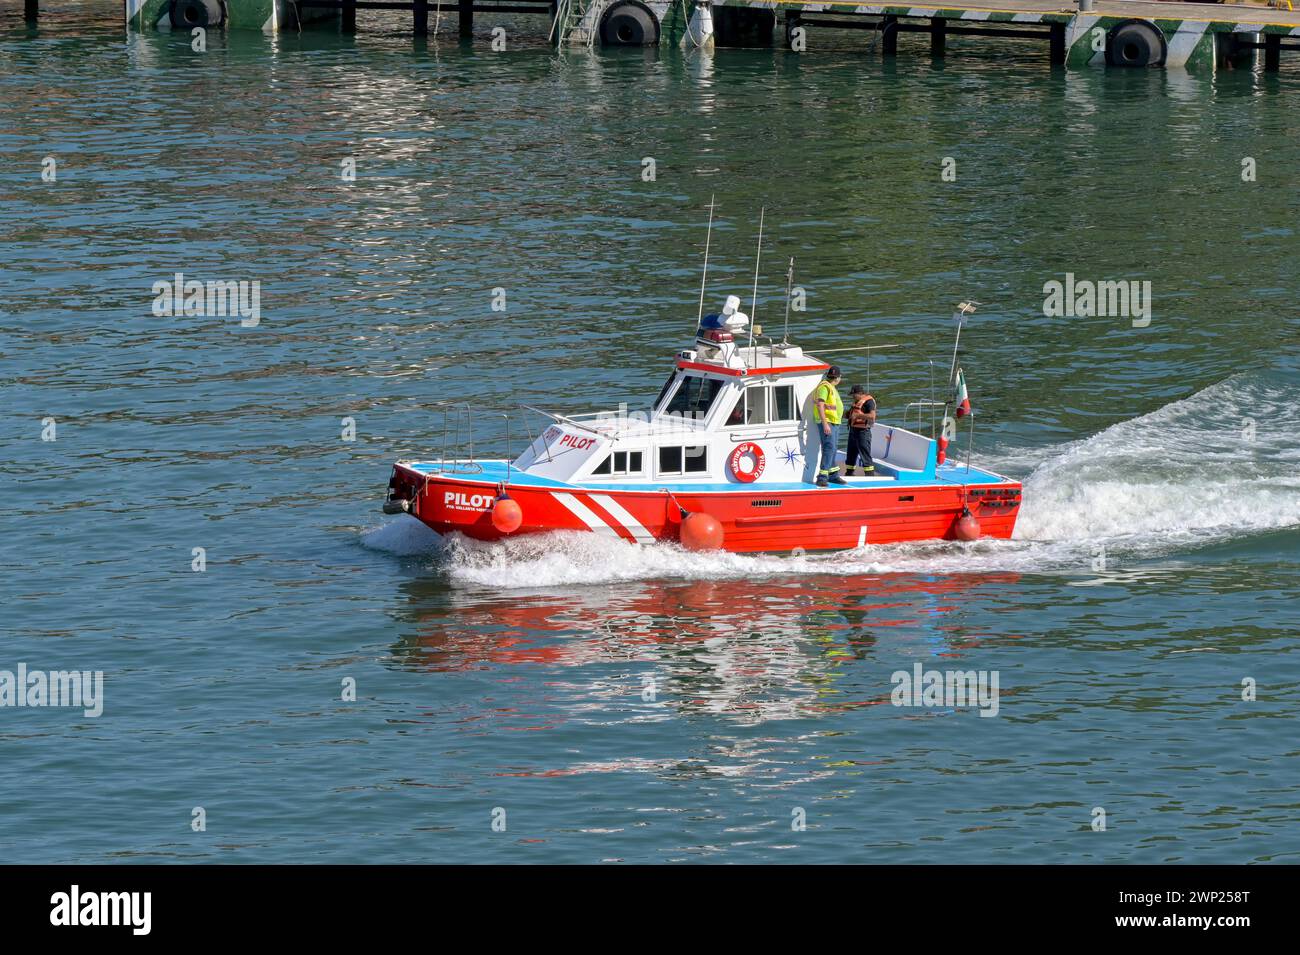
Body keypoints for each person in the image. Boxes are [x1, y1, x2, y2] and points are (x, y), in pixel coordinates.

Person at [812, 366, 846, 487]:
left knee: (833, 448)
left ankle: (833, 475)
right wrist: (825, 423)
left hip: (834, 422)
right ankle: (822, 477)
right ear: (837, 377)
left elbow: (832, 406)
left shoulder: (830, 387)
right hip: (828, 422)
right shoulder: (825, 387)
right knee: (829, 448)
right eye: (840, 377)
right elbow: (820, 405)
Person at [845, 384, 877, 476]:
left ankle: (870, 475)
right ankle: (849, 473)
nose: (852, 397)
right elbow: (850, 414)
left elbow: (872, 416)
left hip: (863, 433)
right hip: (853, 431)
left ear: (859, 393)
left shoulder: (869, 402)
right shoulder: (856, 402)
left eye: (853, 395)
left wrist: (858, 416)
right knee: (850, 455)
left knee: (865, 455)